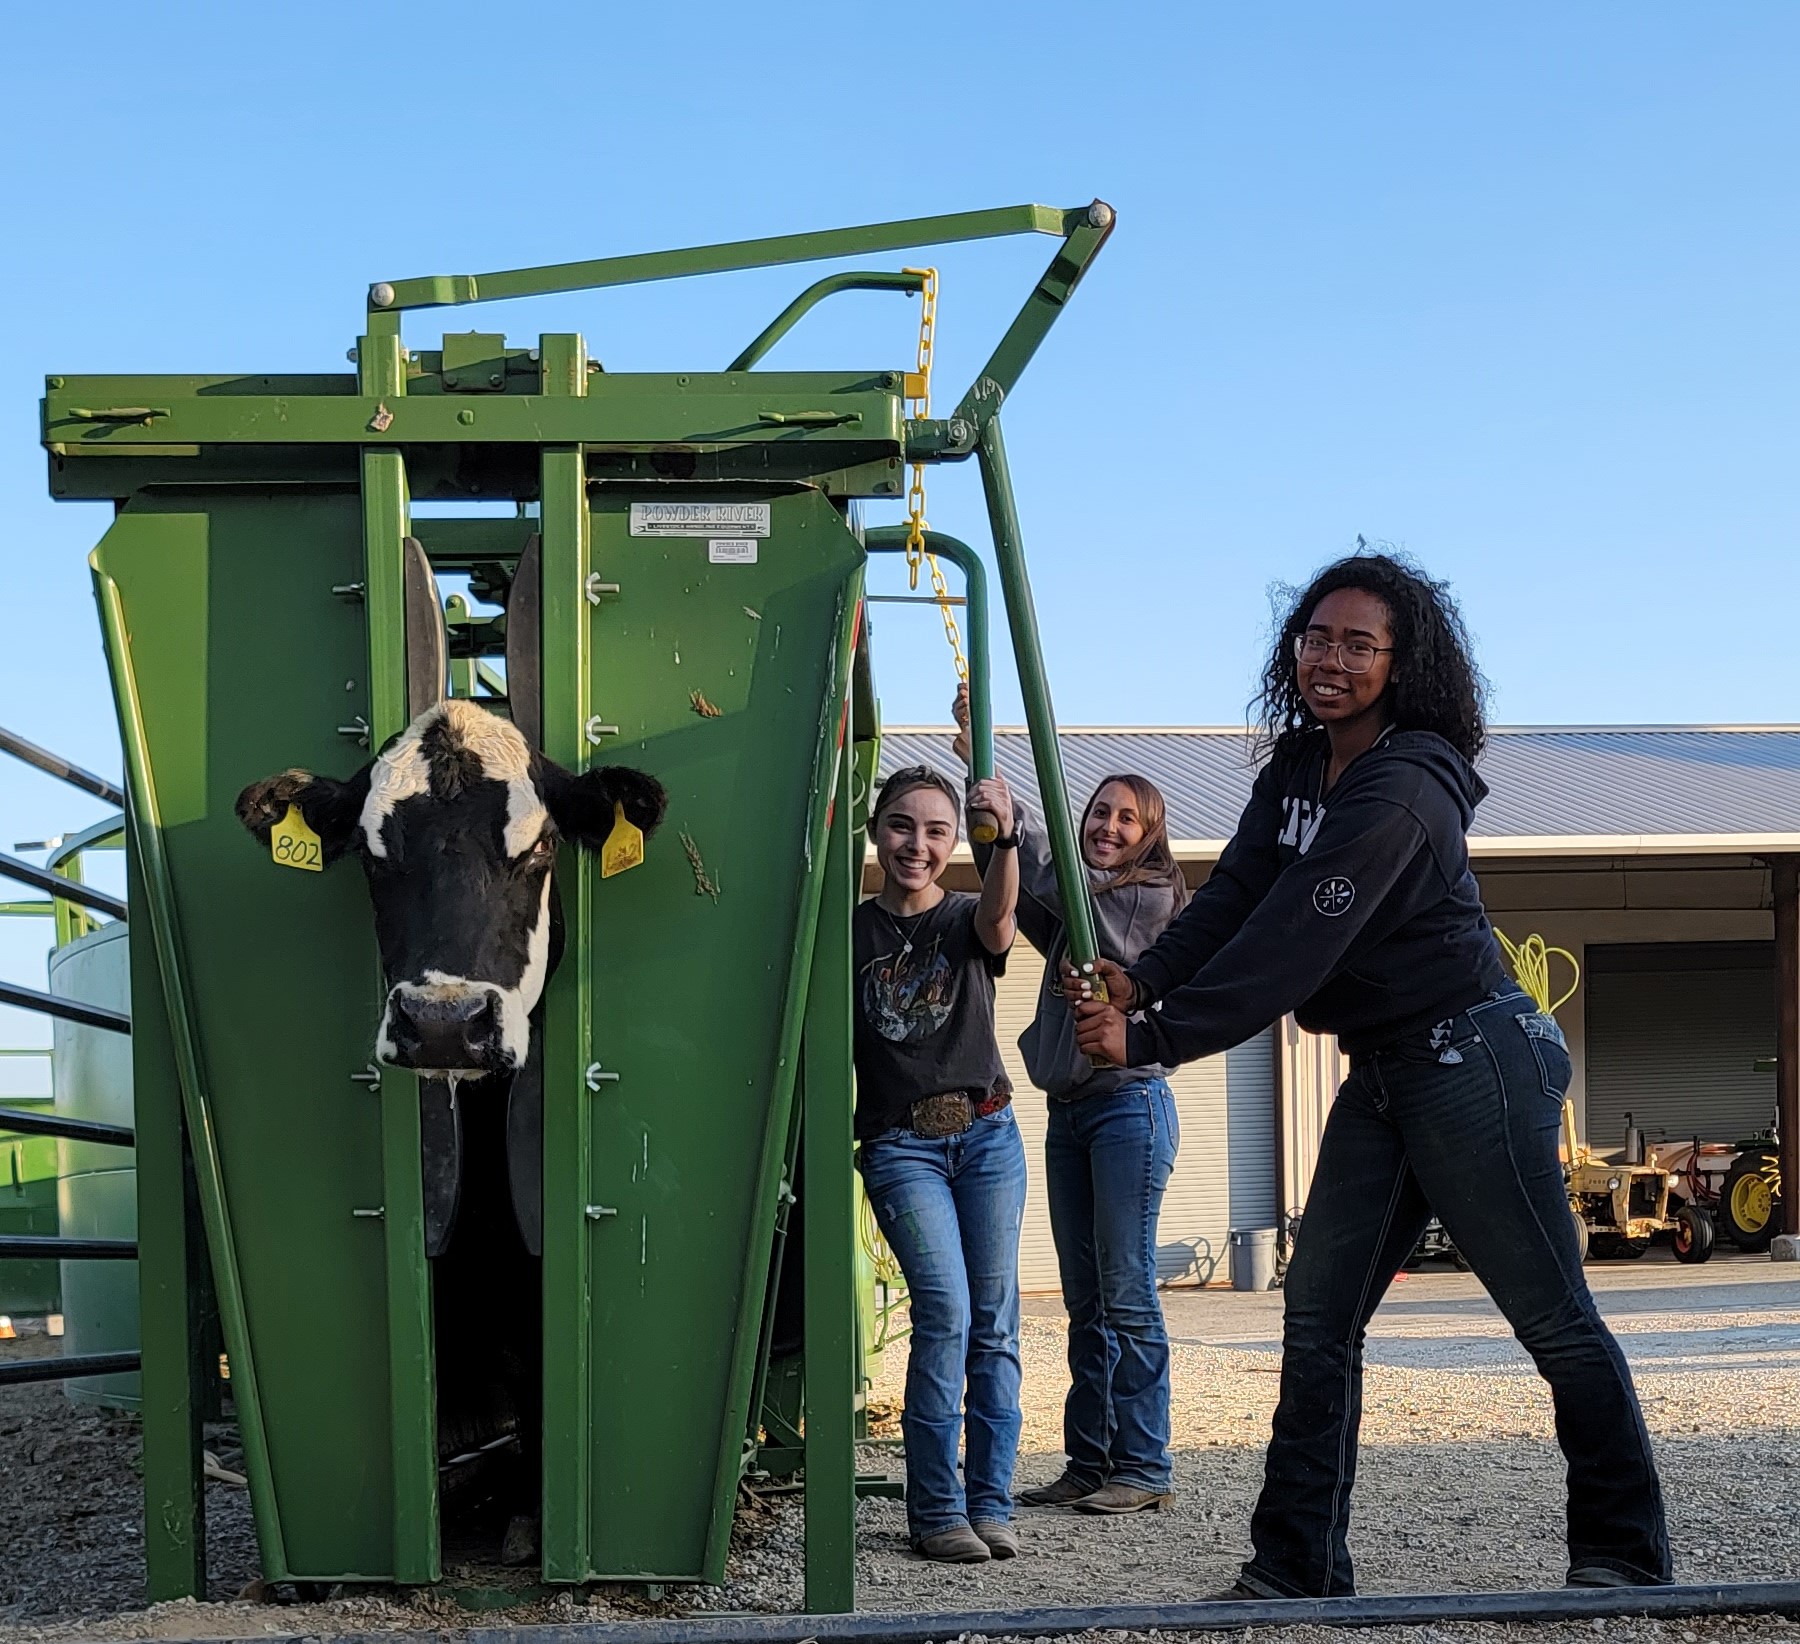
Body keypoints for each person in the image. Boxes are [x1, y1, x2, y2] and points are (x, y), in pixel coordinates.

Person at [1065, 551, 1670, 1596]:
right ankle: (1296, 1565)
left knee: (1551, 1313)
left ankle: (1624, 1552)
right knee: (1318, 1318)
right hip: (1387, 1066)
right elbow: (1235, 897)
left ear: (1402, 663)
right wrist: (1140, 979)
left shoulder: (1407, 787)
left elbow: (1294, 941)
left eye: (1358, 644)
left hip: (1472, 1054)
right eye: (1315, 637)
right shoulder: (1298, 771)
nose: (1329, 660)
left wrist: (1155, 1040)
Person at [952, 686, 1190, 1516]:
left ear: (1150, 834)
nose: (1109, 827)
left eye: (1127, 818)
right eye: (1099, 813)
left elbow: (1061, 885)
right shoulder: (1084, 904)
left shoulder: (1147, 896)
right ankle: (1091, 1461)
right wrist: (974, 757)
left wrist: (1016, 807)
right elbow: (1017, 884)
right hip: (1072, 1112)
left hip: (1129, 1106)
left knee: (1126, 1290)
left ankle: (1146, 1465)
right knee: (1087, 1296)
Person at [854, 763, 1026, 1564]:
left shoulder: (965, 916)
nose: (915, 845)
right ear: (875, 831)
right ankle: (935, 1513)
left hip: (988, 1135)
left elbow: (1000, 924)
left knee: (994, 1325)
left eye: (934, 830)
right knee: (947, 1313)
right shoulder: (849, 932)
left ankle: (991, 1505)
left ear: (957, 840)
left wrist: (1008, 839)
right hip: (901, 1144)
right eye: (900, 826)